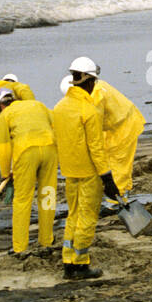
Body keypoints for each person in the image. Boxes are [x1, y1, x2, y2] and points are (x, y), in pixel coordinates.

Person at [52, 57, 118, 279]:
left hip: (69, 171)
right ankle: (80, 263)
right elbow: (96, 148)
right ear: (89, 81)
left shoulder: (59, 108)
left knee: (73, 215)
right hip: (89, 172)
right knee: (87, 218)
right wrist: (107, 177)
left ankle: (68, 260)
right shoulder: (89, 111)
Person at [0, 89, 57, 257]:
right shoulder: (38, 105)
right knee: (47, 194)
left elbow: (4, 149)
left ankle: (20, 247)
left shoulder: (4, 117)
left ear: (1, 106)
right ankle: (46, 241)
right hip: (50, 149)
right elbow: (55, 124)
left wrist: (6, 173)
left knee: (22, 200)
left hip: (26, 152)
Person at [62, 73, 148, 199]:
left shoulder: (97, 97)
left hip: (123, 128)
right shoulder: (96, 86)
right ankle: (120, 193)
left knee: (118, 164)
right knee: (108, 160)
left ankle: (118, 200)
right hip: (114, 125)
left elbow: (93, 123)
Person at [0, 74, 34, 180]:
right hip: (3, 116)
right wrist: (31, 107)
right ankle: (15, 172)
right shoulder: (13, 86)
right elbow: (25, 91)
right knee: (12, 145)